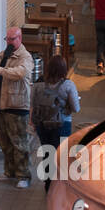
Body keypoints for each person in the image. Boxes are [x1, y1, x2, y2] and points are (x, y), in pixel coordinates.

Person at [0, 28, 36, 188]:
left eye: (12, 39)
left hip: (17, 106)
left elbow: (19, 73)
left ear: (20, 38)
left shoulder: (25, 57)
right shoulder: (3, 55)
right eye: (7, 39)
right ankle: (9, 171)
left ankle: (24, 175)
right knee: (5, 142)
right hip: (1, 105)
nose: (9, 42)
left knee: (19, 144)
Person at [30, 54, 79, 193]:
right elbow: (76, 108)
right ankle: (58, 188)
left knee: (47, 152)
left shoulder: (38, 83)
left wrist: (31, 122)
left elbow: (32, 103)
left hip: (42, 124)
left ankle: (48, 185)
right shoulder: (68, 85)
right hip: (62, 124)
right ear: (64, 69)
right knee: (60, 156)